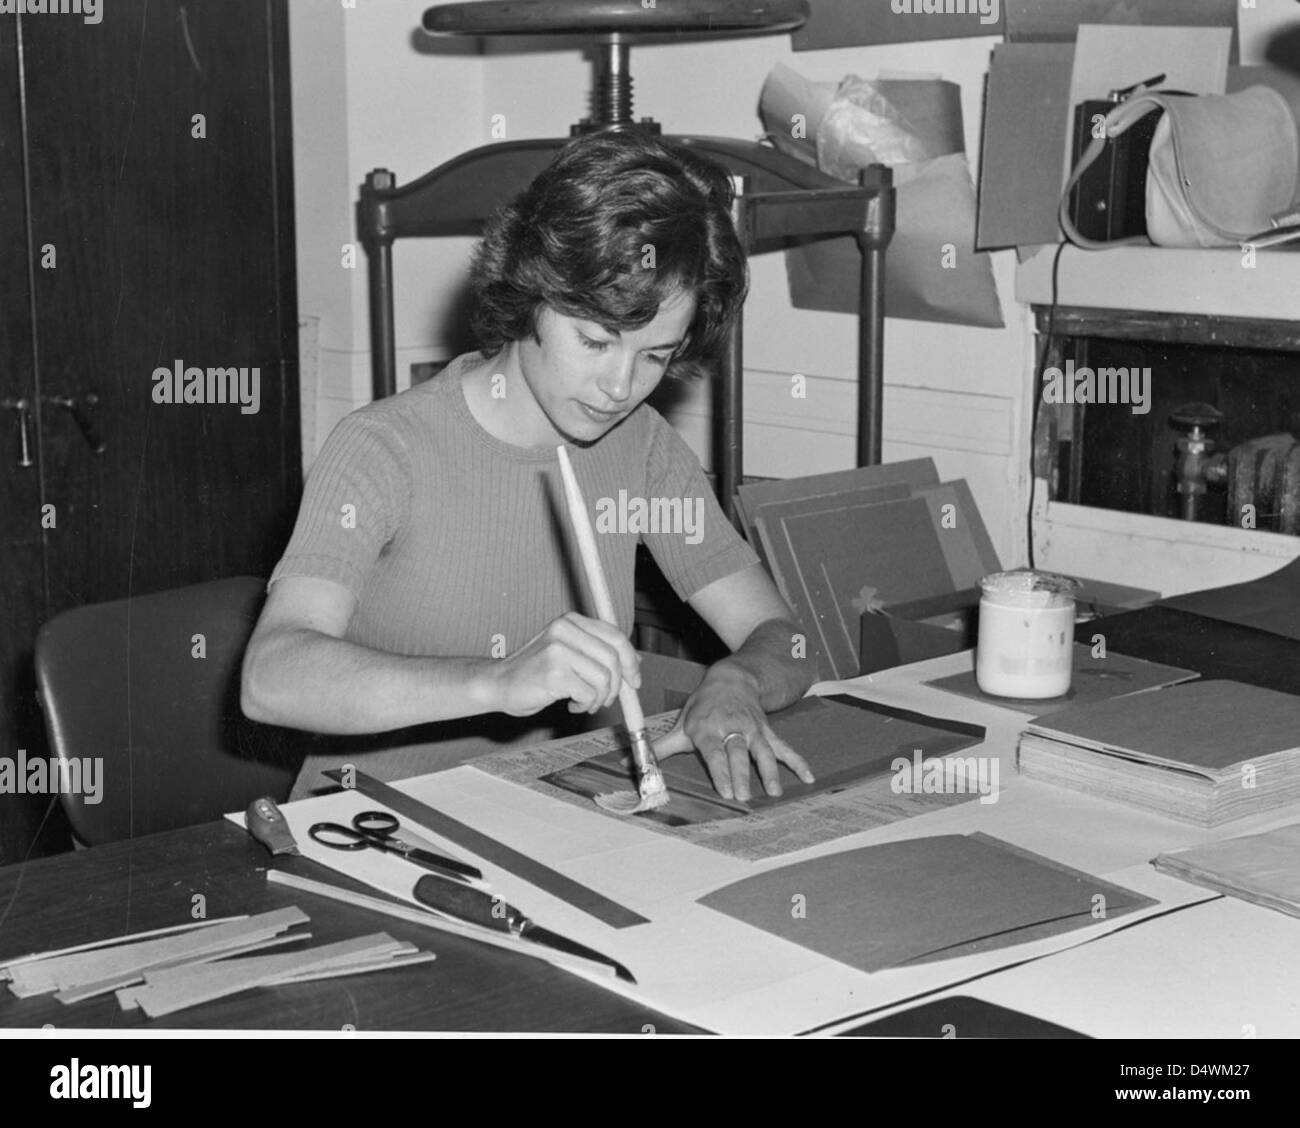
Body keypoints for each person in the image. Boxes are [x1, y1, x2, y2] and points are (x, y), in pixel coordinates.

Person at [241, 130, 815, 803]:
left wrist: (736, 682)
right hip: (372, 824)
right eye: (595, 340)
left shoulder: (642, 448)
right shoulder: (384, 449)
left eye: (655, 355)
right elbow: (269, 678)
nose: (619, 386)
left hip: (552, 815)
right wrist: (498, 681)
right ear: (531, 293)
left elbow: (783, 639)